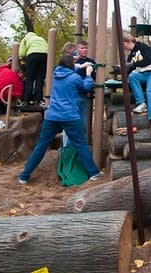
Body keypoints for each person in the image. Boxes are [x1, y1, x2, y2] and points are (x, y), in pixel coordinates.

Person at [19, 54, 102, 185]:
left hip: (51, 116)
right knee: (80, 144)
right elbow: (86, 87)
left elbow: (68, 69)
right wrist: (88, 74)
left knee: (41, 146)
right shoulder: (75, 78)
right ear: (71, 66)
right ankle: (93, 173)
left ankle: (24, 176)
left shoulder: (55, 73)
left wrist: (80, 65)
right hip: (69, 116)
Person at [122, 33, 151, 129]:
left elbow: (149, 60)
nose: (123, 46)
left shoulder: (143, 47)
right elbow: (131, 70)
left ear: (128, 41)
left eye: (124, 44)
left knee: (149, 91)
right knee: (132, 76)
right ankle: (141, 102)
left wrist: (133, 64)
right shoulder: (130, 56)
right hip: (141, 75)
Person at [19, 30, 49, 106]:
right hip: (45, 56)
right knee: (40, 78)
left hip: (32, 55)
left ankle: (26, 100)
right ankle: (37, 100)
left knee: (30, 78)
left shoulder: (25, 39)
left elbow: (22, 53)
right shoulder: (40, 38)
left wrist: (22, 59)